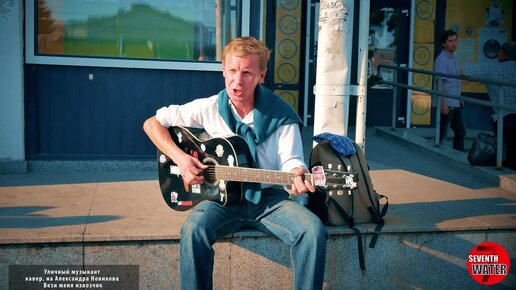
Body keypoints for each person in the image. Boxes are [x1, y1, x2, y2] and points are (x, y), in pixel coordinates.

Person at [143, 36, 328, 289]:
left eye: (247, 73)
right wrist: (181, 159)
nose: (237, 81)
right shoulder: (209, 107)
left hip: (268, 200)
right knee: (193, 229)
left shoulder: (281, 116)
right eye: (231, 71)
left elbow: (292, 161)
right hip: (220, 200)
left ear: (261, 76)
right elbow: (152, 123)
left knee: (313, 231)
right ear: (223, 70)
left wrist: (297, 175)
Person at [463, 41, 516, 170]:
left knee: (507, 150)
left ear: (502, 53)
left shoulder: (490, 68)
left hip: (504, 118)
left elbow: (463, 72)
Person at [434, 29, 466, 151]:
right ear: (443, 44)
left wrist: (460, 99)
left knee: (460, 133)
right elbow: (439, 83)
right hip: (447, 103)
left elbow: (455, 82)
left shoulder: (453, 58)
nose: (454, 43)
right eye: (450, 41)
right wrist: (443, 104)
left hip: (455, 102)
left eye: (455, 40)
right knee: (442, 133)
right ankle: (435, 154)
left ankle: (458, 155)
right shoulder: (441, 59)